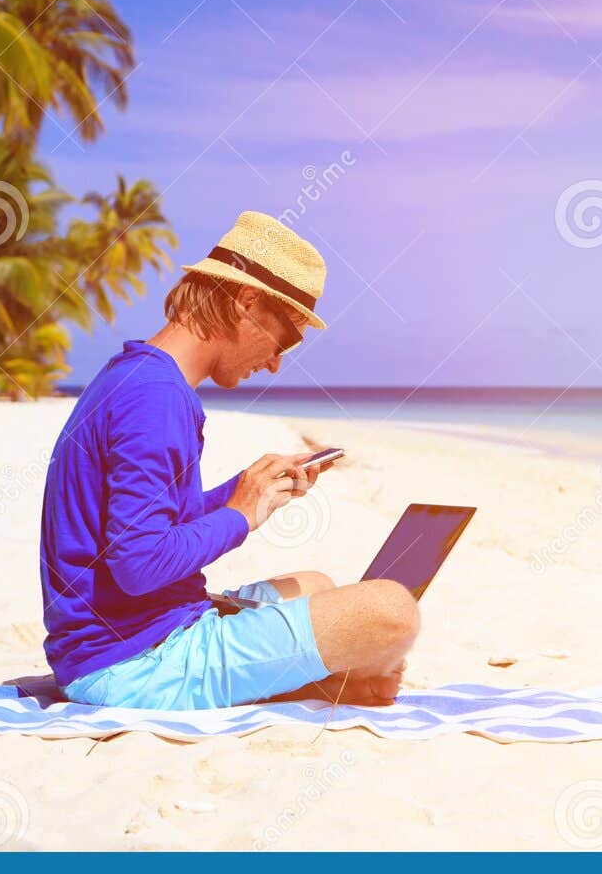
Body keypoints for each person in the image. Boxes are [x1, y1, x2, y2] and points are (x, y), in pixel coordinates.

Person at [38, 211, 418, 710]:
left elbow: (141, 530)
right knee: (392, 610)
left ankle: (321, 678)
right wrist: (240, 515)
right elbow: (139, 564)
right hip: (135, 662)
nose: (276, 362)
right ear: (247, 302)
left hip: (130, 639)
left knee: (315, 586)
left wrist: (247, 490)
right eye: (286, 338)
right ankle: (327, 679)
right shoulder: (156, 397)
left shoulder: (137, 375)